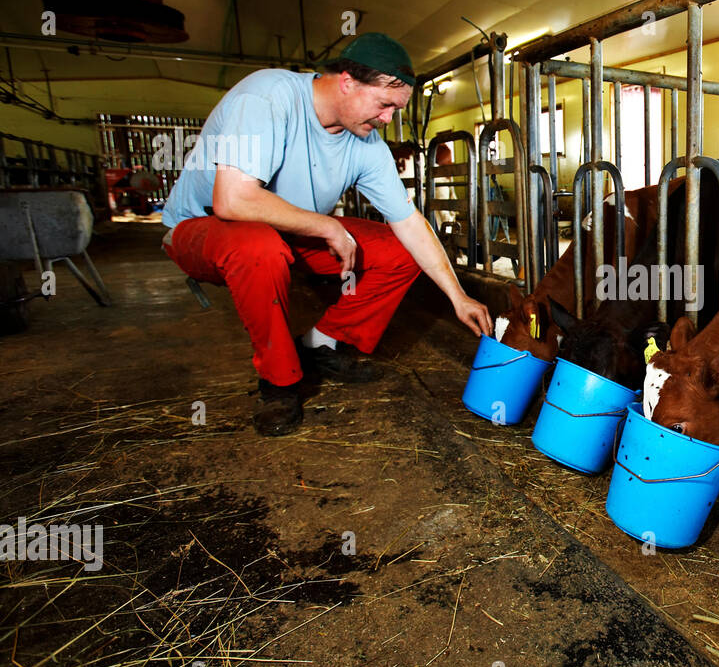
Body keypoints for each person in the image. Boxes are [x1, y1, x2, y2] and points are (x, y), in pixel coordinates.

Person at [160, 32, 491, 436]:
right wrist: (328, 225)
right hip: (205, 227)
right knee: (259, 246)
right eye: (385, 104)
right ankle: (279, 383)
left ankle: (320, 342)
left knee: (400, 249)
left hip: (284, 232)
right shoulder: (267, 97)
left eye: (396, 109)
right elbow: (233, 200)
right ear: (347, 80)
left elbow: (409, 223)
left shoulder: (365, 141)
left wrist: (458, 296)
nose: (388, 119)